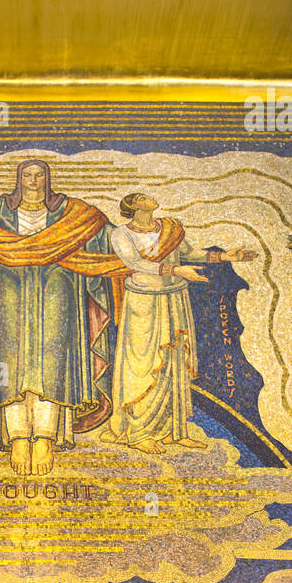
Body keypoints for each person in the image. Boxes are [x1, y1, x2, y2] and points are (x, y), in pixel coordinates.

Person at [0, 159, 124, 475]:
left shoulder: (73, 215)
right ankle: (16, 438)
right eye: (27, 174)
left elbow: (110, 235)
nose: (33, 180)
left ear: (48, 178)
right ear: (18, 179)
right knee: (6, 365)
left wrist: (150, 247)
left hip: (59, 289)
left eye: (39, 174)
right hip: (5, 290)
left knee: (53, 363)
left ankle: (43, 437)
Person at [103, 193, 256, 450]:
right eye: (142, 197)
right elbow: (135, 263)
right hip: (143, 301)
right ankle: (140, 433)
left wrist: (226, 256)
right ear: (133, 207)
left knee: (174, 359)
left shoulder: (170, 228)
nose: (149, 197)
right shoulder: (121, 234)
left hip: (174, 297)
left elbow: (190, 253)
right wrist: (175, 270)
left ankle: (175, 429)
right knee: (143, 362)